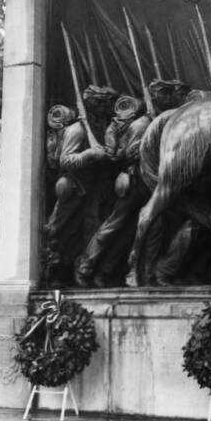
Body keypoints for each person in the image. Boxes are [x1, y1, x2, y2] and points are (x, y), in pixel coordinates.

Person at [42, 85, 118, 287]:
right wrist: (90, 154)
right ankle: (54, 273)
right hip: (75, 187)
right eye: (105, 104)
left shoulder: (101, 127)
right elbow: (66, 161)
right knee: (59, 231)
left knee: (92, 230)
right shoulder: (78, 130)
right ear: (95, 104)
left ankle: (83, 271)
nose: (109, 108)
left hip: (95, 189)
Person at [75, 95, 151, 288]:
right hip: (131, 181)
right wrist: (123, 152)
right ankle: (86, 266)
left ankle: (106, 271)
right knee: (113, 226)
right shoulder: (117, 128)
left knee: (131, 231)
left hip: (147, 182)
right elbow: (113, 155)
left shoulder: (142, 123)